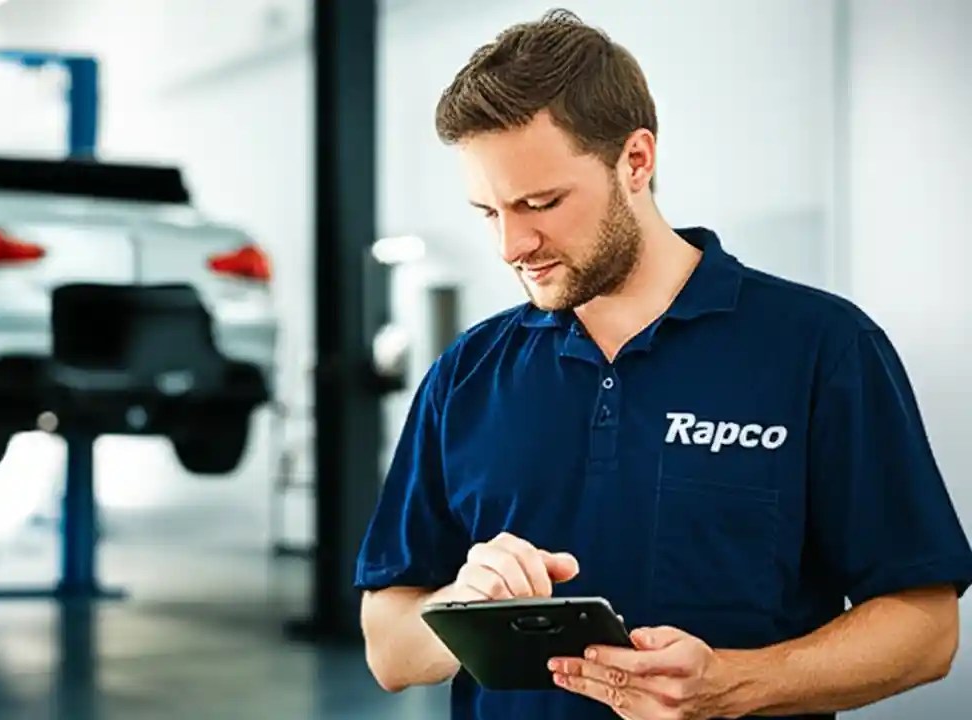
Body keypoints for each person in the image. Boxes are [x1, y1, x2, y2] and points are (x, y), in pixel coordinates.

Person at [354, 8, 972, 720]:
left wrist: (734, 685)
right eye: (488, 212)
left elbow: (928, 630)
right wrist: (460, 608)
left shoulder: (822, 349)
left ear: (636, 161)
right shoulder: (467, 374)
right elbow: (388, 649)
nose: (511, 246)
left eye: (541, 203)